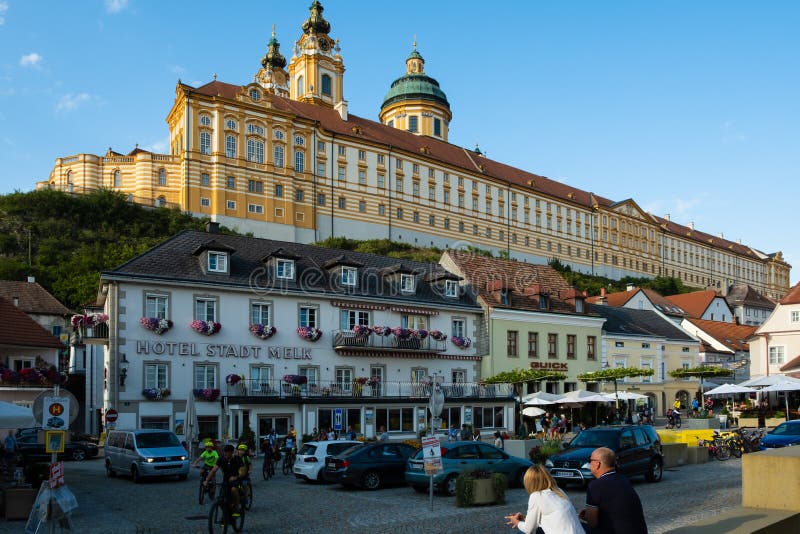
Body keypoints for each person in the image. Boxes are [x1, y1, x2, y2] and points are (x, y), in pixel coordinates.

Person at [579, 447, 647, 534]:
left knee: (575, 526)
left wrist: (588, 516)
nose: (589, 463)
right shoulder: (623, 479)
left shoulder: (595, 486)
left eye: (590, 460)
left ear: (597, 464)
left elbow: (592, 523)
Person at [505, 465, 584, 534]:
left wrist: (516, 522)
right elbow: (553, 519)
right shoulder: (559, 491)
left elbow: (528, 530)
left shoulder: (536, 496)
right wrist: (526, 519)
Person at [204, 444, 244, 516]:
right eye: (224, 451)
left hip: (236, 479)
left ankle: (237, 508)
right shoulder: (221, 459)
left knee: (233, 489)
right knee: (221, 500)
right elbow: (213, 470)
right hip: (226, 481)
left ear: (231, 452)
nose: (225, 453)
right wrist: (207, 480)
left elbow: (242, 472)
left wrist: (235, 477)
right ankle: (226, 516)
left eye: (227, 452)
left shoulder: (237, 459)